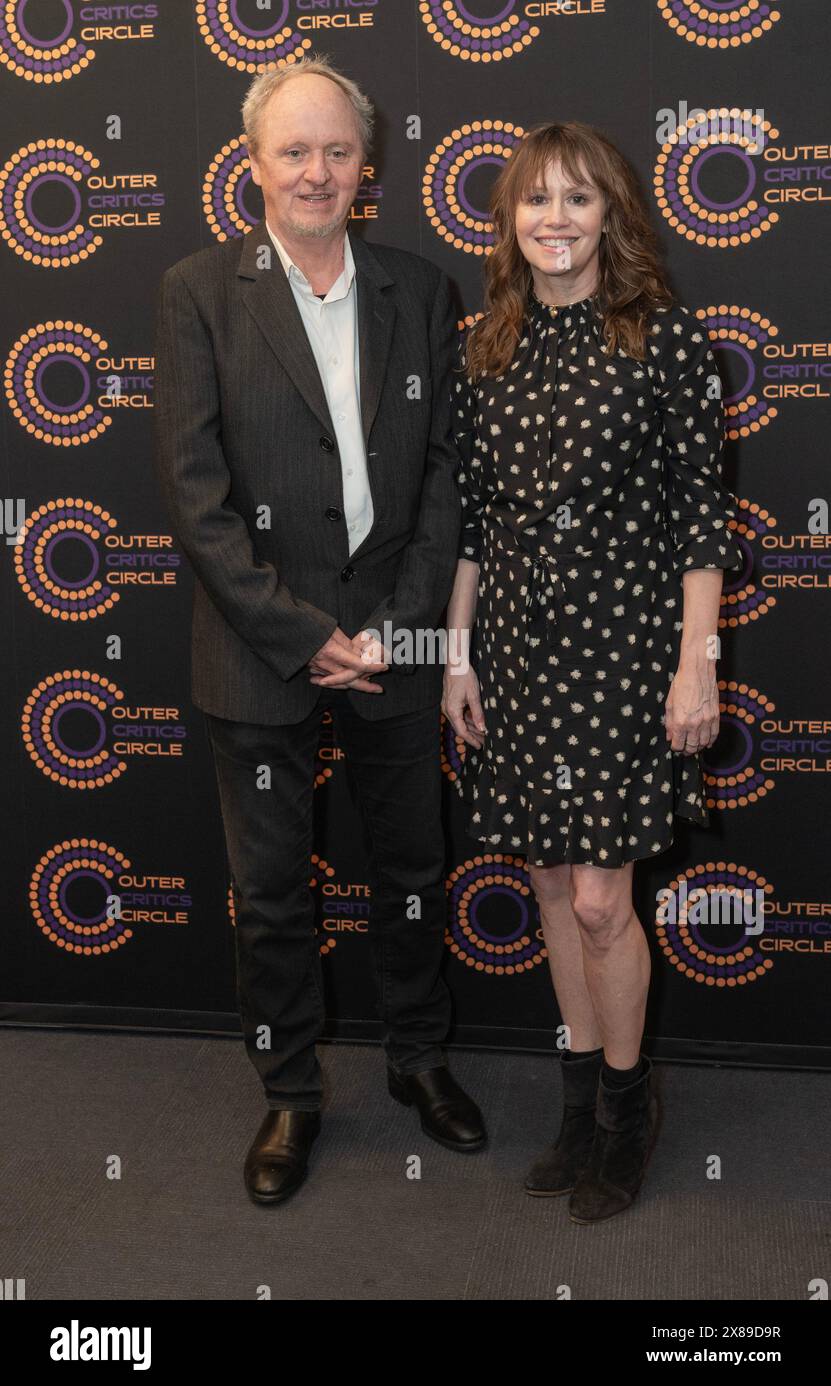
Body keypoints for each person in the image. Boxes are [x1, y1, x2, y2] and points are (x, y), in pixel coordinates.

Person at [154, 55, 485, 1207]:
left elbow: (444, 479)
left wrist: (393, 630)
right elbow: (197, 498)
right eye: (293, 149)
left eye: (337, 149)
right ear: (253, 165)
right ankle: (290, 1091)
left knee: (410, 870)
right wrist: (305, 635)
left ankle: (419, 1060)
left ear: (368, 165)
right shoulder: (199, 291)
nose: (316, 170)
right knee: (275, 892)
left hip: (397, 642)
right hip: (257, 649)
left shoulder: (420, 288)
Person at [442, 121, 744, 1225]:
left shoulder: (663, 337)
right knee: (551, 894)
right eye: (535, 202)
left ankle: (627, 1106)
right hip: (519, 656)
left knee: (607, 899)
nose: (555, 220)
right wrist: (457, 655)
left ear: (612, 215)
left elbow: (702, 523)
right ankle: (577, 1104)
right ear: (510, 222)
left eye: (577, 200)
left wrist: (694, 666)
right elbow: (474, 523)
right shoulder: (486, 346)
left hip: (625, 658)